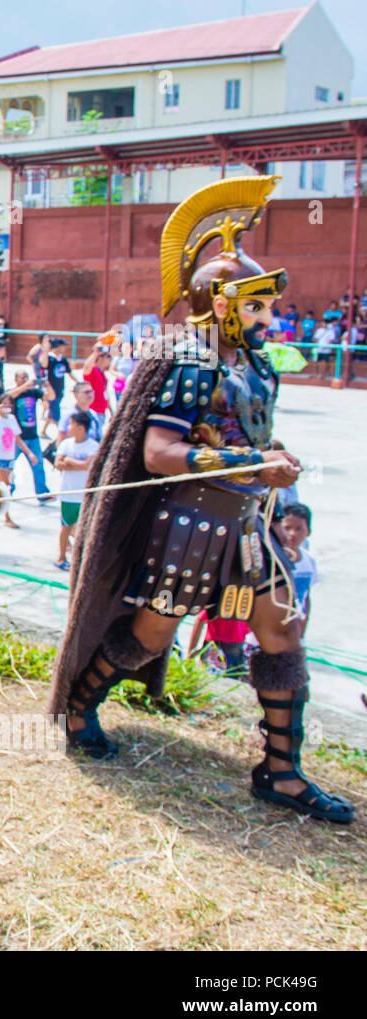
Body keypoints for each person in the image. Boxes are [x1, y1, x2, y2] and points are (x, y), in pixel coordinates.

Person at [53, 174, 351, 823]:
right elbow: (159, 454)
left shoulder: (255, 364)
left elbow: (250, 434)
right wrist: (251, 461)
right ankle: (80, 704)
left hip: (248, 530)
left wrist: (275, 459)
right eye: (254, 305)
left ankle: (281, 770)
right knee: (153, 634)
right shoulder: (192, 363)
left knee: (281, 626)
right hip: (190, 530)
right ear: (218, 302)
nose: (266, 317)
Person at [0, 394, 38, 530]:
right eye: (4, 404)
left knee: (2, 485)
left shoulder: (12, 419)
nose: (7, 407)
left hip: (9, 457)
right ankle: (7, 517)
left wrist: (30, 453)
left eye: (9, 405)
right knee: (5, 486)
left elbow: (18, 438)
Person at [53, 410, 96, 570]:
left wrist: (69, 461)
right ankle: (61, 557)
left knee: (82, 529)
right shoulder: (65, 444)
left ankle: (80, 560)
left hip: (85, 494)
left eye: (72, 424)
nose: (69, 427)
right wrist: (78, 464)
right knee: (65, 527)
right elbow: (58, 464)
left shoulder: (93, 446)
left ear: (80, 427)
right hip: (68, 493)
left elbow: (88, 466)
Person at [8, 370, 52, 499]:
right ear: (16, 379)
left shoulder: (33, 393)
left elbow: (51, 397)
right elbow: (8, 396)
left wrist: (47, 385)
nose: (26, 379)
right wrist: (25, 386)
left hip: (32, 436)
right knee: (9, 466)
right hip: (16, 438)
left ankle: (42, 493)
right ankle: (9, 489)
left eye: (27, 377)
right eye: (22, 377)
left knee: (38, 465)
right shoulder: (13, 393)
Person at [277, 503, 316, 631]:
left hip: (296, 627)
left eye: (299, 529)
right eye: (287, 528)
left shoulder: (309, 560)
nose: (293, 534)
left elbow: (306, 597)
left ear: (308, 531)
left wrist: (304, 625)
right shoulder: (272, 559)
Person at [82, 342, 112, 420]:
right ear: (100, 358)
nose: (110, 358)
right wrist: (96, 352)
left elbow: (105, 394)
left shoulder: (103, 375)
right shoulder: (93, 370)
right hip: (92, 411)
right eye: (108, 356)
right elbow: (86, 368)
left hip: (101, 412)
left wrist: (111, 411)